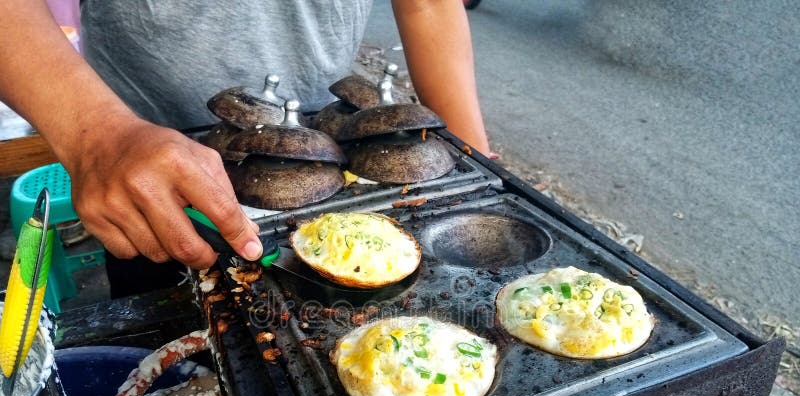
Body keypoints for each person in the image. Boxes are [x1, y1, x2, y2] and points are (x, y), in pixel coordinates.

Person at [0, 0, 490, 297]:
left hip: (340, 148)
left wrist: (476, 171)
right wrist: (96, 136)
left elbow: (428, 5)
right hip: (145, 173)